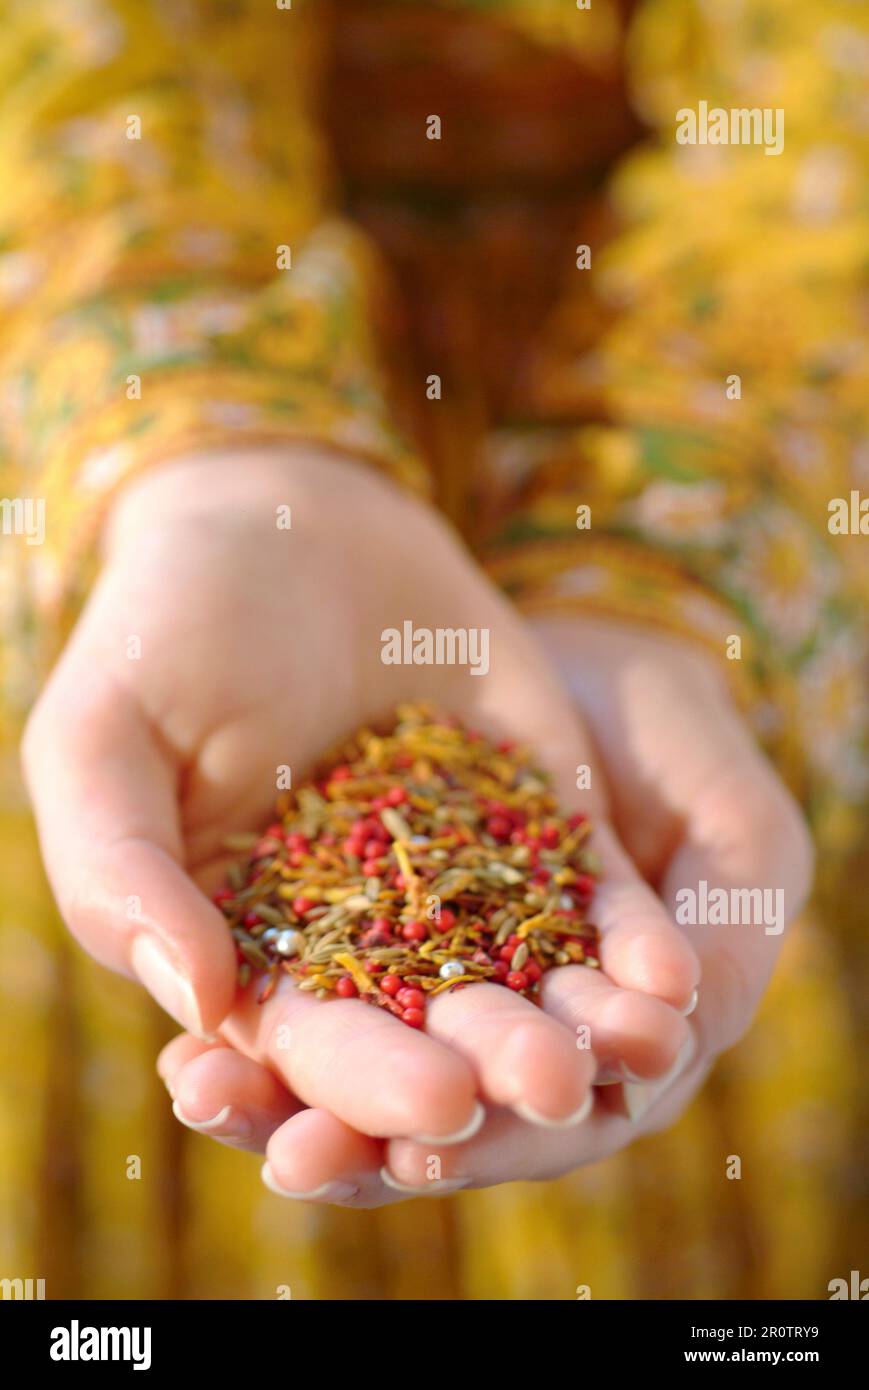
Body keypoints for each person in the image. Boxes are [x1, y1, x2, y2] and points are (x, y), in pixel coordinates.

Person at [2, 0, 865, 1298]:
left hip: (655, 413)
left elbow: (826, 133)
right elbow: (79, 62)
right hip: (178, 441)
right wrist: (211, 447)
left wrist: (667, 567)